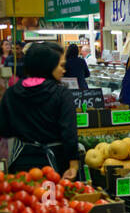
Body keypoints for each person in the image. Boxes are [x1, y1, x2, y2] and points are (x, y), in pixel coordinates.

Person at [0, 41, 80, 178]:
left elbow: (4, 129)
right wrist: (74, 165)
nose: (64, 70)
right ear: (48, 66)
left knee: (24, 198)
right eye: (61, 65)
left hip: (21, 163)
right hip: (55, 166)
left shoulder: (11, 93)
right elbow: (69, 133)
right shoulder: (61, 94)